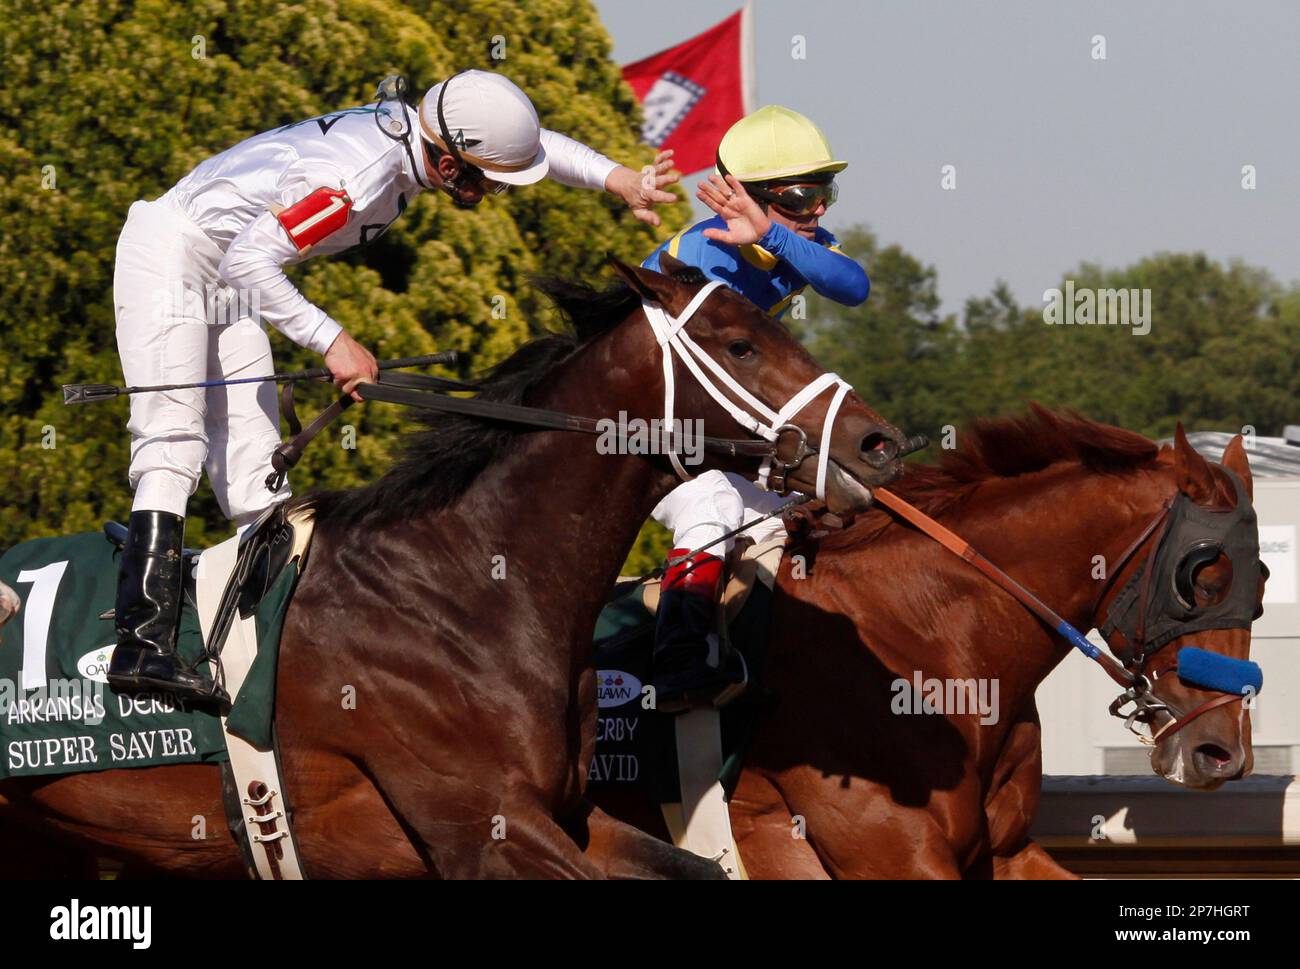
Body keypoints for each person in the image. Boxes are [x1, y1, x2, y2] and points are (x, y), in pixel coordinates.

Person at [109, 69, 678, 701]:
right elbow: (249, 258)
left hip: (228, 271)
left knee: (254, 465)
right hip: (178, 256)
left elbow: (528, 141)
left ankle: (266, 633)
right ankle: (142, 646)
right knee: (175, 439)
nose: (493, 191)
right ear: (448, 163)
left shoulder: (430, 132)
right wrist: (333, 341)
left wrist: (617, 178)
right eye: (487, 179)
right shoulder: (359, 179)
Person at [641, 105, 870, 711]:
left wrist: (773, 232)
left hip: (714, 427)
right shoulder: (702, 258)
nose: (818, 209)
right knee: (714, 502)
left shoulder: (788, 239)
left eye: (826, 191)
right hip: (648, 437)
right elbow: (701, 393)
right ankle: (678, 666)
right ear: (744, 194)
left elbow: (854, 287)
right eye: (801, 196)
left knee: (843, 499)